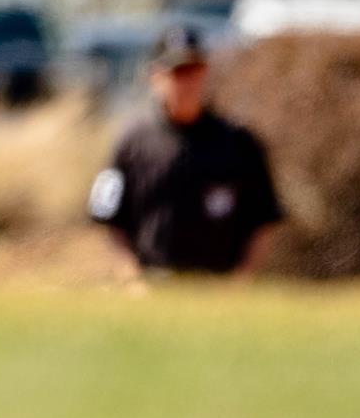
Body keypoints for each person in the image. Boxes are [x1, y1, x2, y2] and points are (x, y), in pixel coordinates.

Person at [87, 24, 282, 277]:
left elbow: (263, 219)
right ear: (155, 77)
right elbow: (108, 217)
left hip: (217, 286)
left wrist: (240, 281)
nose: (187, 82)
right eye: (177, 72)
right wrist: (131, 277)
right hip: (154, 282)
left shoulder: (238, 142)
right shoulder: (133, 141)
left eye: (194, 70)